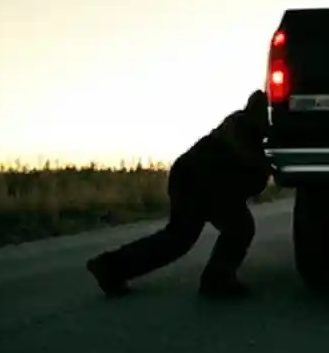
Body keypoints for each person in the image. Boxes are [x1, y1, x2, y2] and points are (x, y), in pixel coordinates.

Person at [86, 90, 274, 299]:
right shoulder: (245, 132)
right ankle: (217, 280)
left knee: (179, 237)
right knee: (237, 227)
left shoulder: (241, 126)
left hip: (190, 174)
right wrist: (271, 167)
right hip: (203, 178)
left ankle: (110, 267)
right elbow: (252, 170)